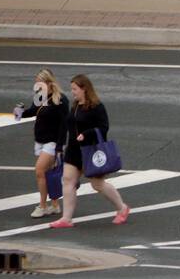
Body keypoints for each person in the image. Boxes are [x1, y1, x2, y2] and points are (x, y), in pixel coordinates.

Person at [49, 75, 130, 229]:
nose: (72, 92)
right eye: (72, 89)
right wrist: (59, 147)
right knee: (68, 180)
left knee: (97, 184)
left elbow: (103, 128)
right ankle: (66, 219)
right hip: (73, 150)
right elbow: (66, 127)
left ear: (84, 88)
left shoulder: (97, 106)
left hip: (91, 150)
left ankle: (122, 208)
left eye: (75, 89)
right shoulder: (75, 106)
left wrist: (87, 134)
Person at [13, 68, 68, 218]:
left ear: (49, 83)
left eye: (40, 82)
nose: (37, 84)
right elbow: (33, 111)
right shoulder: (40, 96)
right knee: (49, 174)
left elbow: (64, 125)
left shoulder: (60, 100)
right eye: (36, 82)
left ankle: (42, 206)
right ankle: (55, 205)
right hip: (40, 141)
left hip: (53, 142)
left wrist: (59, 147)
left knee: (39, 171)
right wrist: (20, 113)